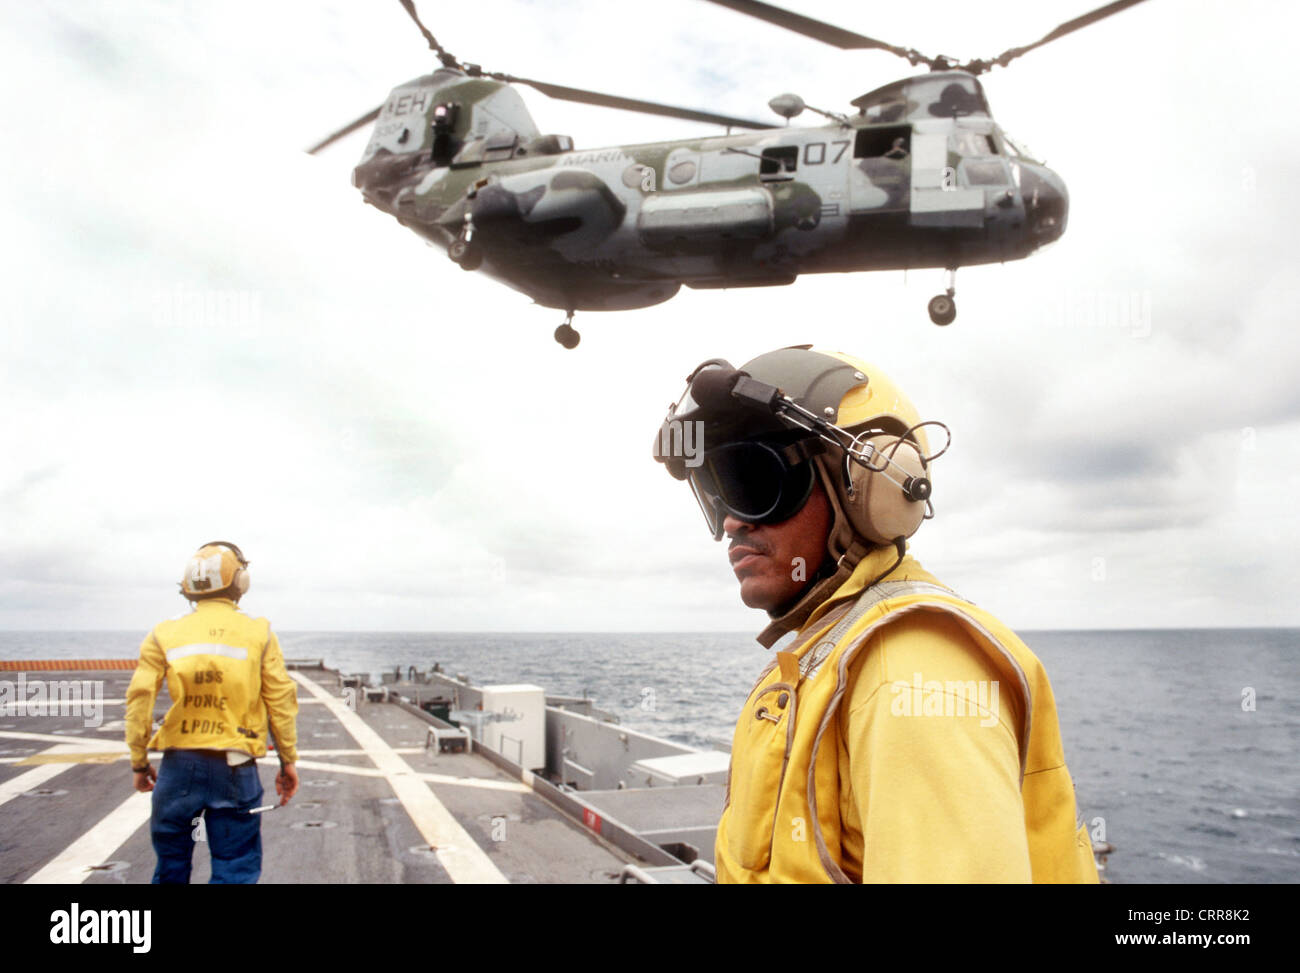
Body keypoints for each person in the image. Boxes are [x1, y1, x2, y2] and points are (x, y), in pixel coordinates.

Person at [653, 346, 1098, 883]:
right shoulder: (834, 651)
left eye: (749, 483)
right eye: (716, 496)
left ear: (867, 490)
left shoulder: (909, 671)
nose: (730, 524)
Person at [125, 541, 299, 884]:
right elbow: (280, 701)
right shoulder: (259, 632)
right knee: (235, 866)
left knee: (170, 867)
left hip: (177, 769)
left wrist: (139, 762)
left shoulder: (163, 632)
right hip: (235, 768)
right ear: (240, 582)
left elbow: (139, 700)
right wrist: (287, 761)